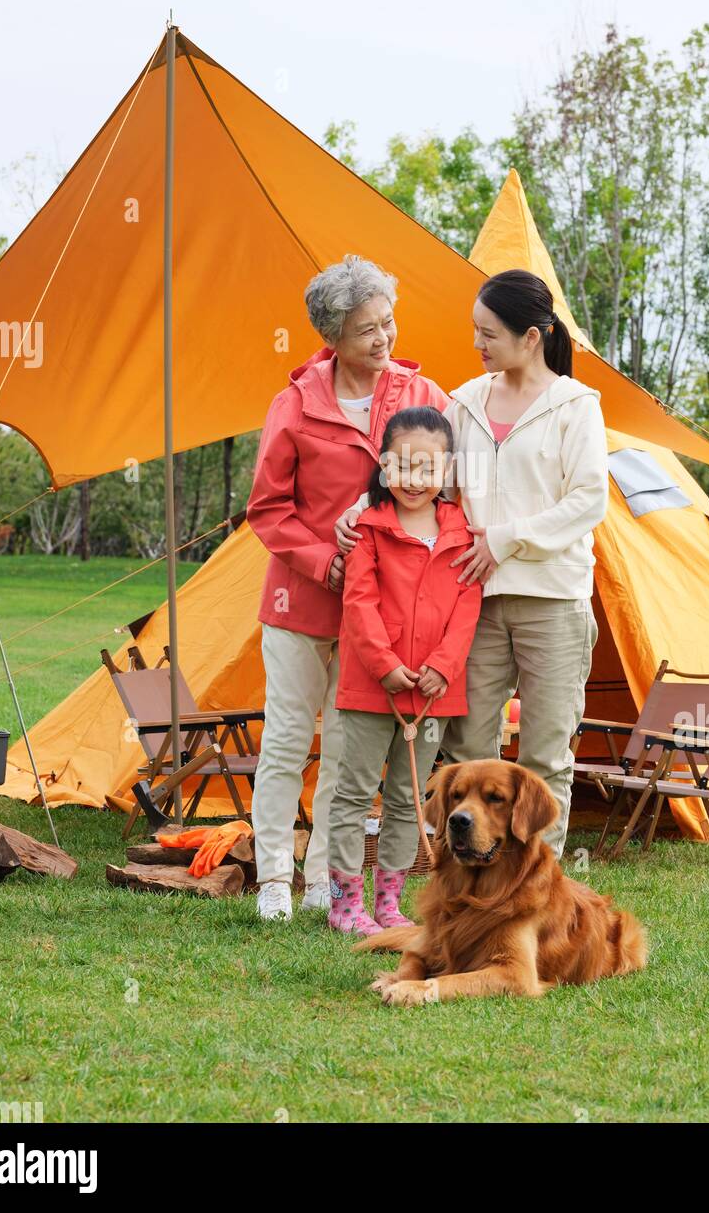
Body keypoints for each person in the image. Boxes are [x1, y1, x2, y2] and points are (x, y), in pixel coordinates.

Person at [337, 269, 608, 860]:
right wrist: (363, 505)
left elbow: (589, 502)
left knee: (544, 754)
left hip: (554, 601)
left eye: (488, 334)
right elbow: (428, 479)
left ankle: (536, 883)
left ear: (531, 336)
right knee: (467, 749)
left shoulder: (576, 407)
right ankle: (466, 878)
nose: (478, 344)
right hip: (475, 599)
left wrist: (505, 539)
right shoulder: (463, 403)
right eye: (476, 332)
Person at [246, 255, 448, 921]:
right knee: (285, 738)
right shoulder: (294, 404)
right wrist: (318, 560)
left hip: (379, 614)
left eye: (387, 322)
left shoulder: (423, 399)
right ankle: (272, 875)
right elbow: (267, 508)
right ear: (332, 335)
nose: (383, 339)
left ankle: (321, 882)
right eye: (366, 329)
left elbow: (453, 489)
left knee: (343, 747)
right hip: (300, 603)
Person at [328, 407, 481, 936]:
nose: (415, 480)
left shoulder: (462, 532)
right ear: (384, 464)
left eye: (428, 468)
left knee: (407, 797)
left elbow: (467, 608)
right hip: (374, 688)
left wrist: (442, 667)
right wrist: (386, 666)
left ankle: (388, 902)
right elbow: (359, 602)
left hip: (435, 693)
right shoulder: (368, 529)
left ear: (447, 470)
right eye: (403, 466)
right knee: (353, 792)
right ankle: (345, 902)